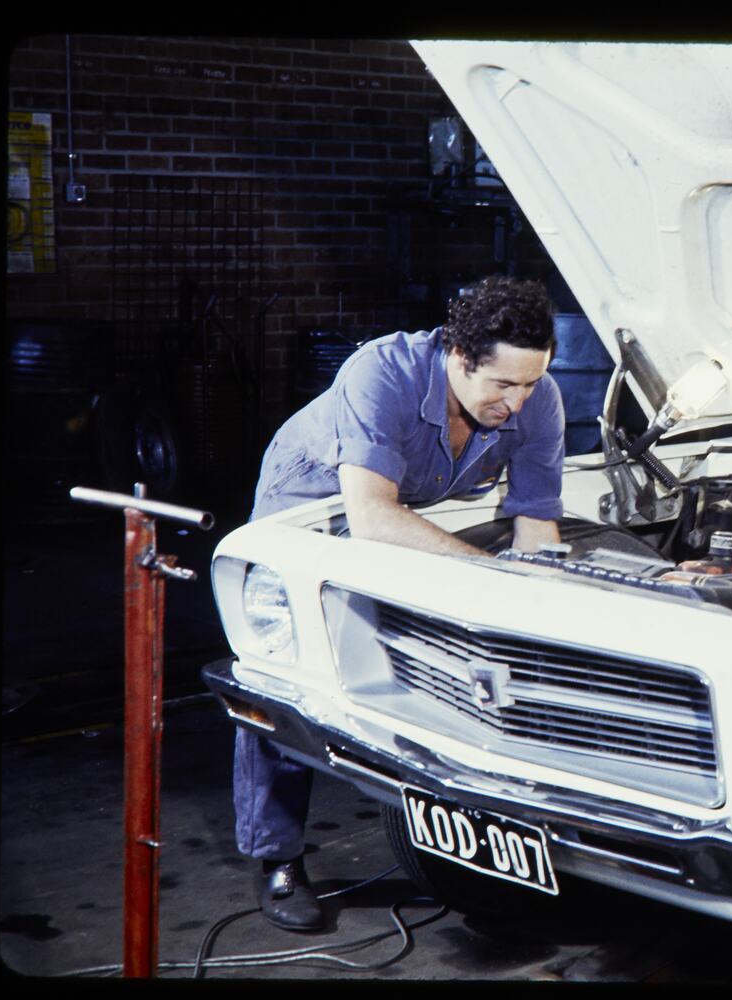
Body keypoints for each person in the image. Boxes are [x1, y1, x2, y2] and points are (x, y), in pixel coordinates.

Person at [235, 275, 565, 931]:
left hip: (395, 506)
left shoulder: (538, 399)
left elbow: (537, 526)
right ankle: (278, 860)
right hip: (310, 502)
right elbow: (371, 519)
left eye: (531, 383)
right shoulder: (379, 373)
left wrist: (542, 608)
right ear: (457, 356)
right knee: (285, 671)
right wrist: (488, 574)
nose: (519, 401)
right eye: (503, 385)